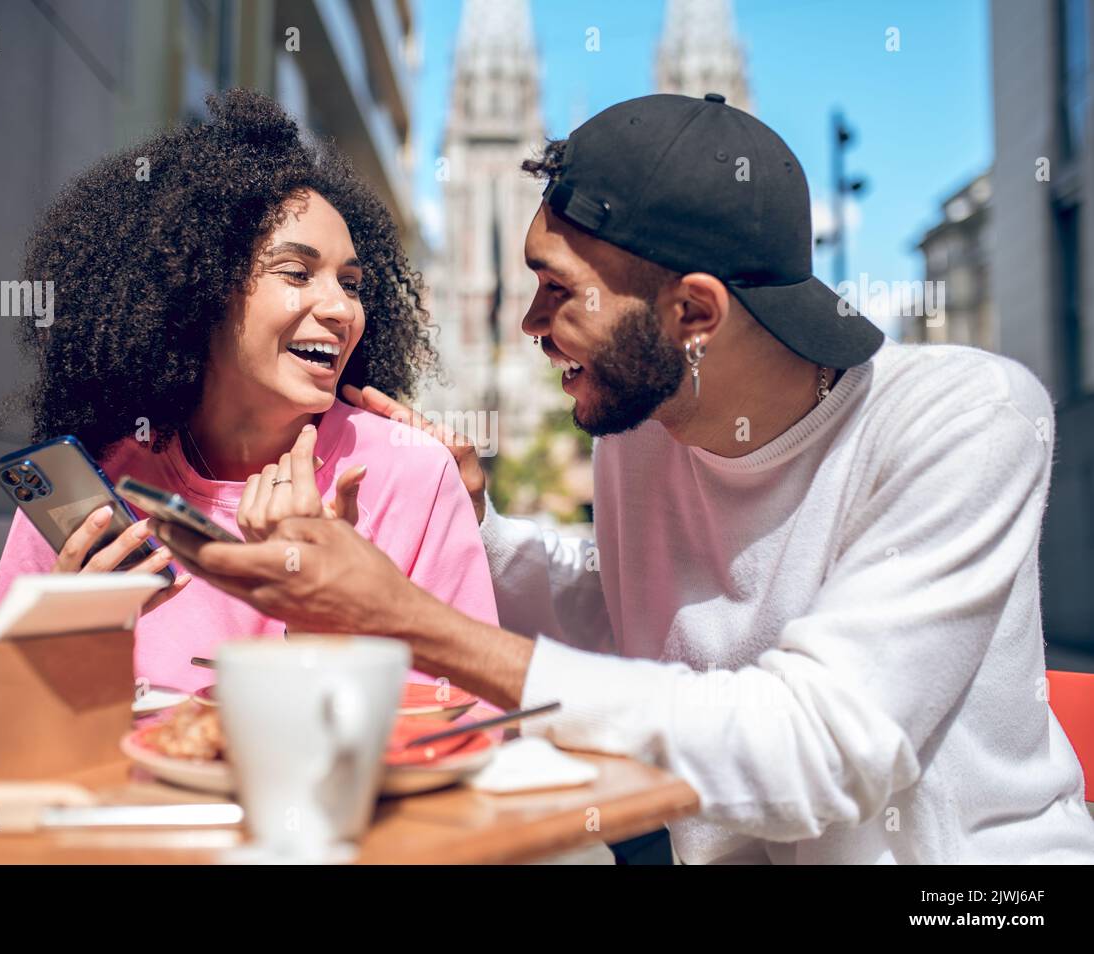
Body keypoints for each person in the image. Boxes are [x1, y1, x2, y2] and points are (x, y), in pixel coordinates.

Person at [152, 93, 1094, 863]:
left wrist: (405, 619)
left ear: (694, 313)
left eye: (558, 290)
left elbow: (819, 752)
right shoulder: (641, 427)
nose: (529, 322)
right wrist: (479, 526)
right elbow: (635, 621)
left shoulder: (967, 418)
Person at [0, 89, 497, 692]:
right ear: (200, 286)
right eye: (297, 272)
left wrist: (318, 617)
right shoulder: (99, 476)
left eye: (352, 284)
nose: (341, 309)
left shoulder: (413, 477)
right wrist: (56, 653)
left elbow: (471, 721)